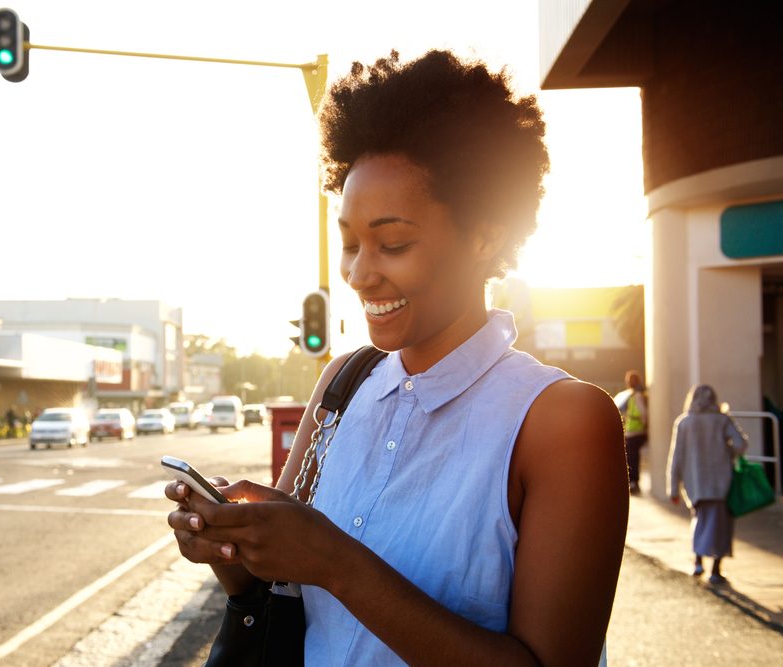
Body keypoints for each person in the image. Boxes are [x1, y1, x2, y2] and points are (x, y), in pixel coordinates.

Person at [166, 49, 628, 665]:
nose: (360, 274)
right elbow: (286, 597)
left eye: (393, 242)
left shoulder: (562, 421)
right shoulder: (345, 382)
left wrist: (335, 561)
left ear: (484, 235)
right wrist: (234, 549)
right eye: (351, 242)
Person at [667, 384, 747, 585]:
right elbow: (741, 444)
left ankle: (698, 562)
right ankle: (716, 570)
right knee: (721, 526)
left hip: (695, 482)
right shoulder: (722, 420)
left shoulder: (684, 422)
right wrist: (726, 453)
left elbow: (676, 458)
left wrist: (674, 488)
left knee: (699, 521)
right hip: (721, 481)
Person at [621, 371, 648, 494]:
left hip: (635, 431)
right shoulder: (635, 394)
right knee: (633, 457)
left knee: (632, 457)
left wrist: (643, 423)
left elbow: (643, 413)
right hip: (634, 430)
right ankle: (633, 481)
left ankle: (633, 482)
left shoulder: (637, 395)